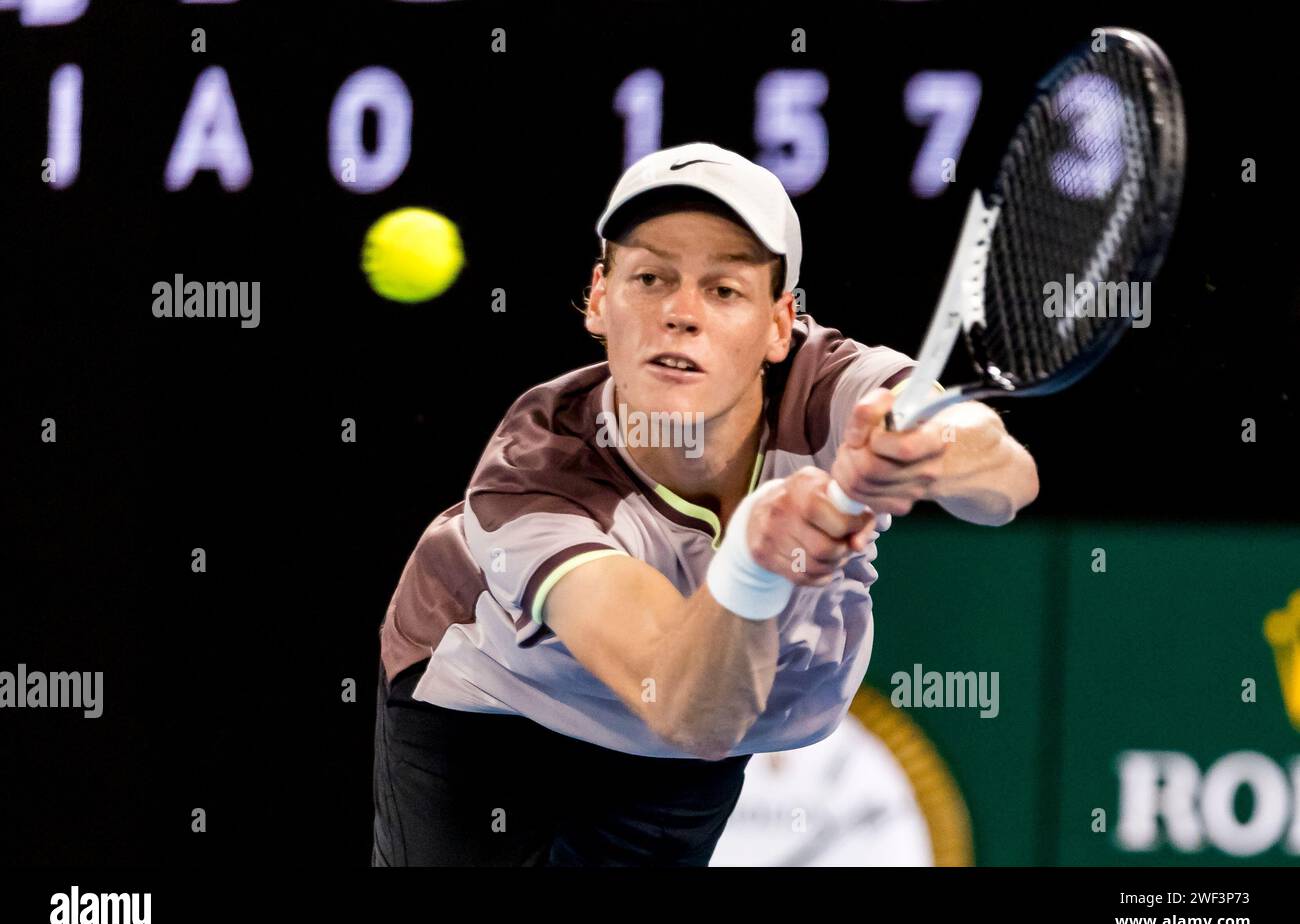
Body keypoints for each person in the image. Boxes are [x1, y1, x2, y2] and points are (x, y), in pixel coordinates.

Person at [371, 142, 1039, 866]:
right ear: (599, 299)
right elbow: (678, 702)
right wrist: (756, 559)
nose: (681, 314)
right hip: (494, 720)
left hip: (698, 742)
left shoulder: (830, 385)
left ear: (781, 325)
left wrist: (925, 450)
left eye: (724, 290)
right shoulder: (540, 473)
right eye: (651, 277)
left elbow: (1004, 484)